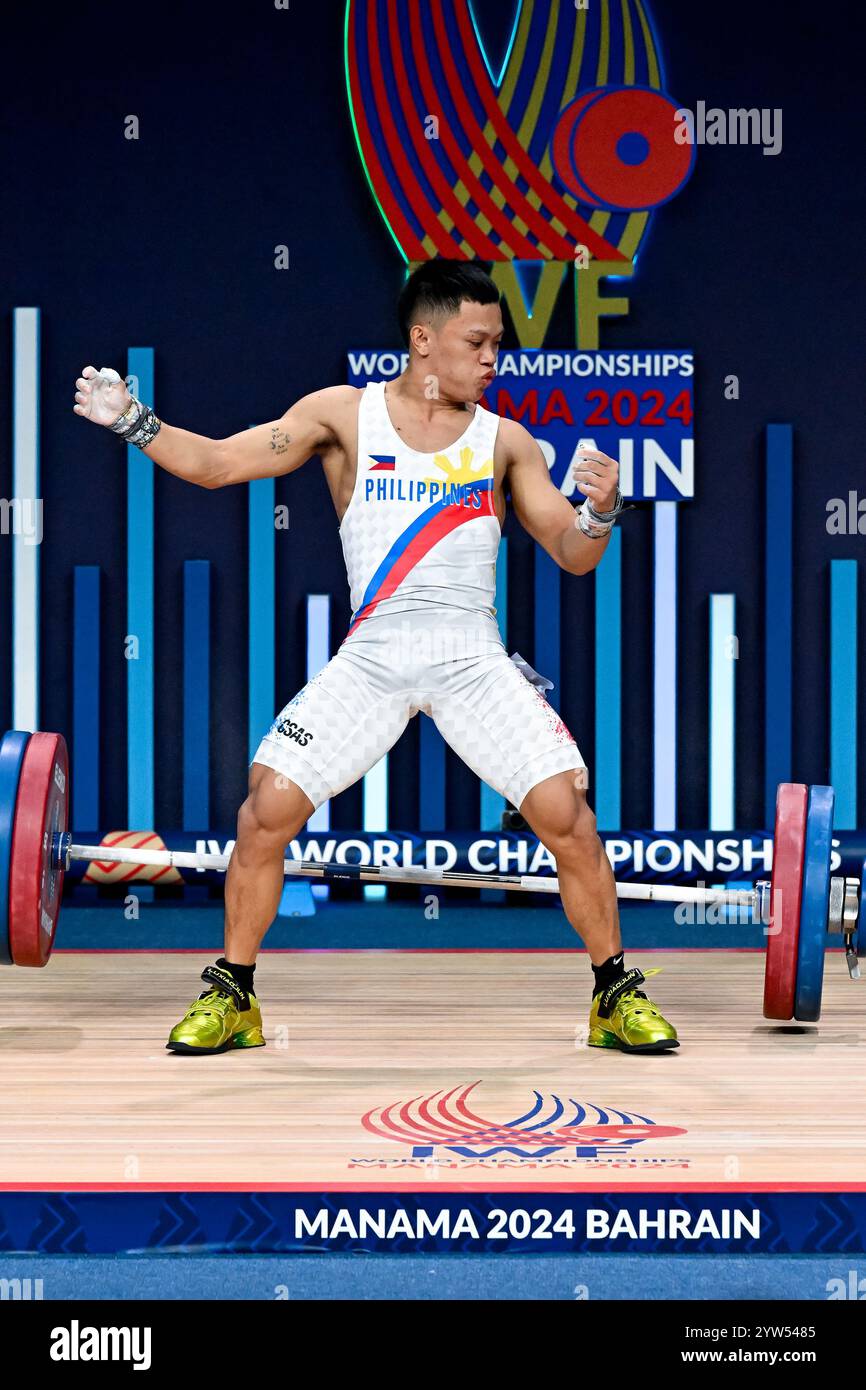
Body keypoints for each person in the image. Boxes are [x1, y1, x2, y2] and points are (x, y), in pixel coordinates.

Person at [73, 260, 677, 1055]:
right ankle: (234, 995)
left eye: (500, 343)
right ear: (423, 340)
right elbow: (218, 464)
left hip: (471, 657)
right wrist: (133, 422)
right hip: (374, 656)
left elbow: (570, 553)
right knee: (266, 811)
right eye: (478, 341)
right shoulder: (343, 417)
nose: (494, 358)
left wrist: (601, 515)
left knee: (568, 814)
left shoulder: (507, 442)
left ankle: (613, 995)